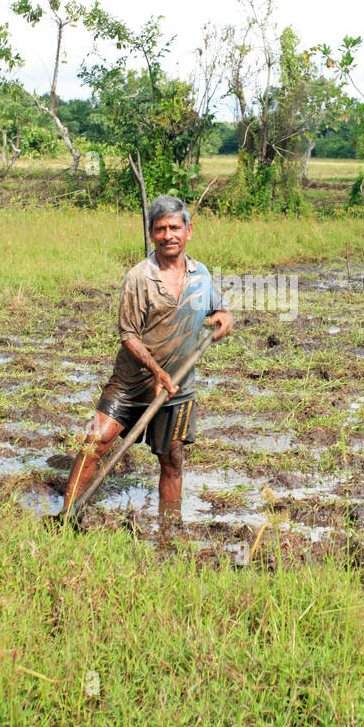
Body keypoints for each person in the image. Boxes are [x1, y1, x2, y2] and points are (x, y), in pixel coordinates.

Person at [63, 194, 233, 524]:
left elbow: (219, 309)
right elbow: (128, 335)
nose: (168, 235)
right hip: (131, 383)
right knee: (93, 443)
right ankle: (67, 517)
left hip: (177, 388)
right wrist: (155, 370)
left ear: (188, 230)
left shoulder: (202, 275)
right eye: (160, 229)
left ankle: (169, 530)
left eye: (174, 227)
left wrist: (224, 316)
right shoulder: (139, 277)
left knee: (173, 460)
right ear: (151, 233)